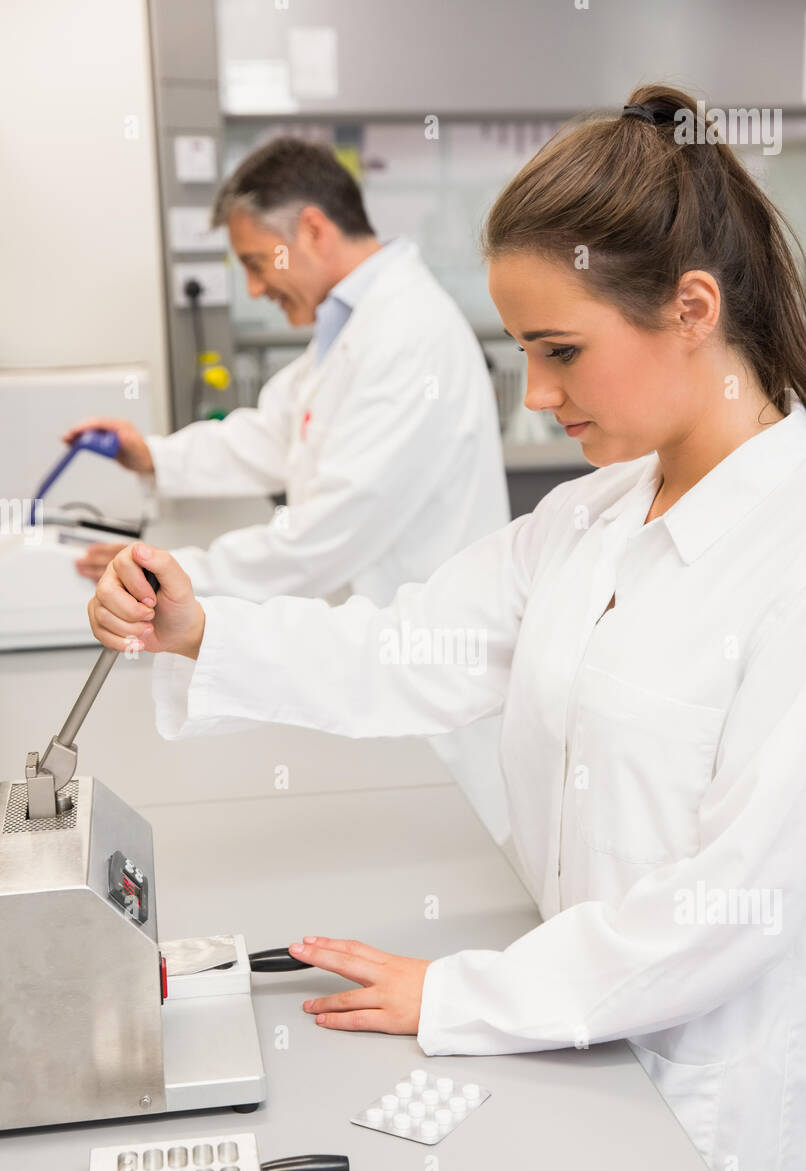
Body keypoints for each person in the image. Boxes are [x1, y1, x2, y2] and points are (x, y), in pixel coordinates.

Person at [88, 85, 806, 1171]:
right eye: (523, 355)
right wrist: (201, 627)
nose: (537, 400)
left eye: (558, 352)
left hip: (704, 1096)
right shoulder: (592, 515)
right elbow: (410, 647)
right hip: (565, 1039)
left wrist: (456, 993)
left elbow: (727, 909)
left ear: (692, 310)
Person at [65, 135, 511, 841]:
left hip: (428, 701)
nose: (253, 289)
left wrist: (177, 579)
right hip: (368, 668)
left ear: (311, 228)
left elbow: (324, 536)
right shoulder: (353, 325)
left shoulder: (408, 335)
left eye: (254, 263)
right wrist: (151, 455)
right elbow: (275, 432)